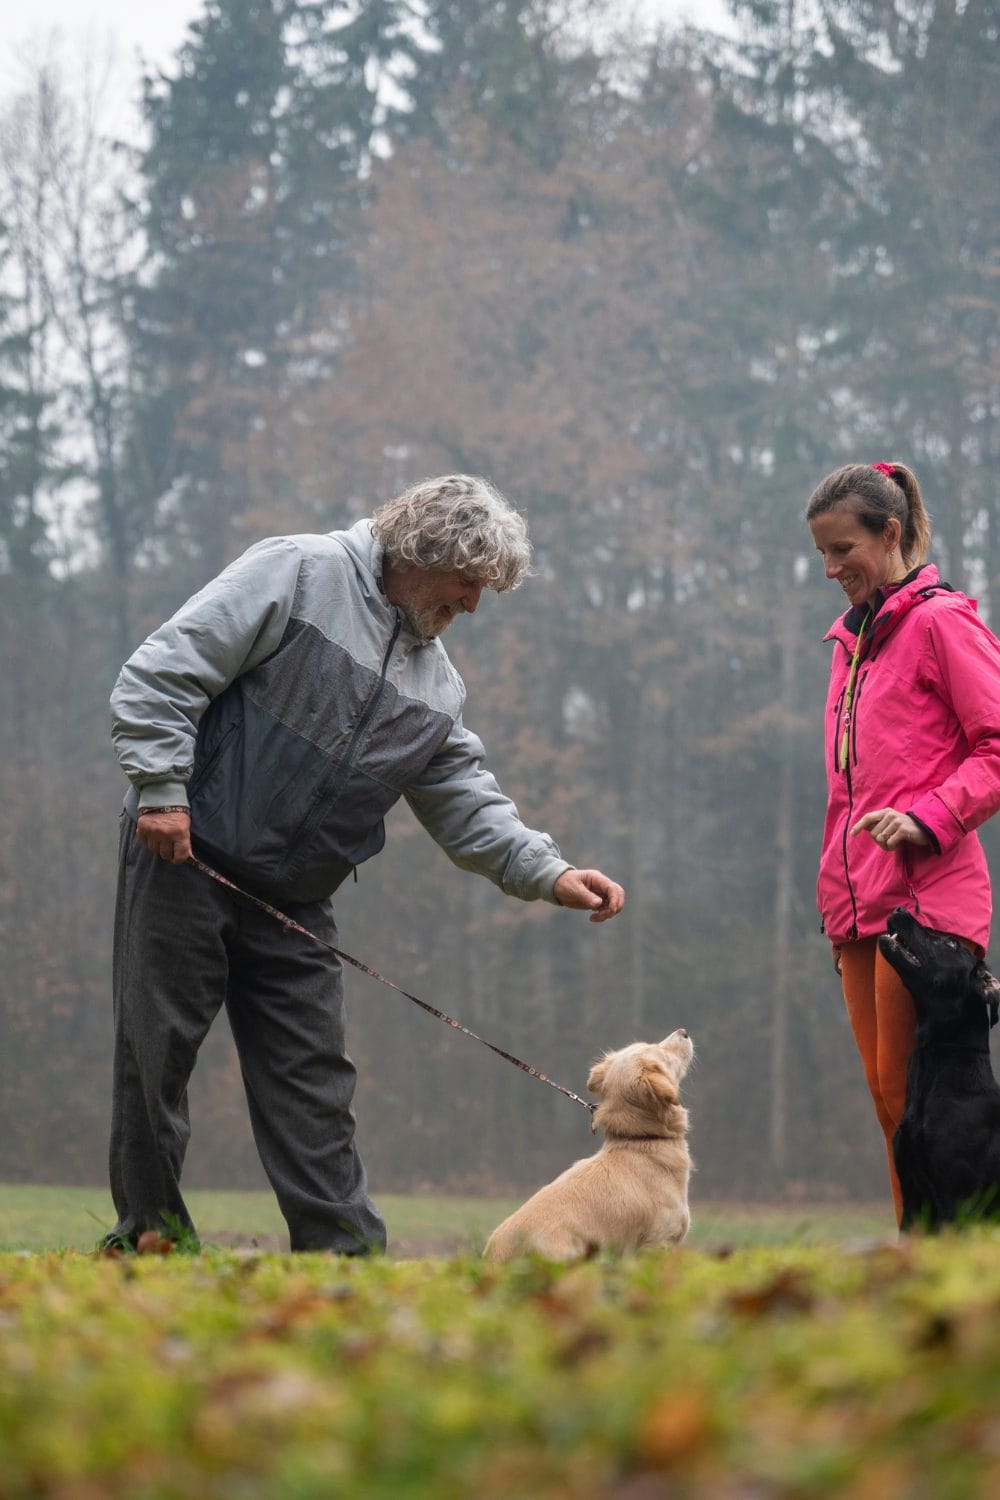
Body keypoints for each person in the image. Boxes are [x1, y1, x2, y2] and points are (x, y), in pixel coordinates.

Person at [108, 474, 625, 1253]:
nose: (474, 605)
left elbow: (464, 798)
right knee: (157, 1059)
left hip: (295, 901)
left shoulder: (438, 684)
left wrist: (549, 872)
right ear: (423, 555)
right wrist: (161, 791)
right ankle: (150, 1243)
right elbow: (163, 672)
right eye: (468, 583)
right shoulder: (296, 572)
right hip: (186, 855)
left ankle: (344, 1260)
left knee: (314, 1085)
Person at [807, 460, 1000, 1224]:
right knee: (894, 1109)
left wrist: (929, 817)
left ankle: (966, 1270)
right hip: (855, 904)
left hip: (927, 904)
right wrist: (833, 890)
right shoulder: (850, 644)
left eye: (843, 549)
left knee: (934, 1111)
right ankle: (917, 1264)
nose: (831, 569)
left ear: (890, 533)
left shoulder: (941, 622)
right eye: (822, 553)